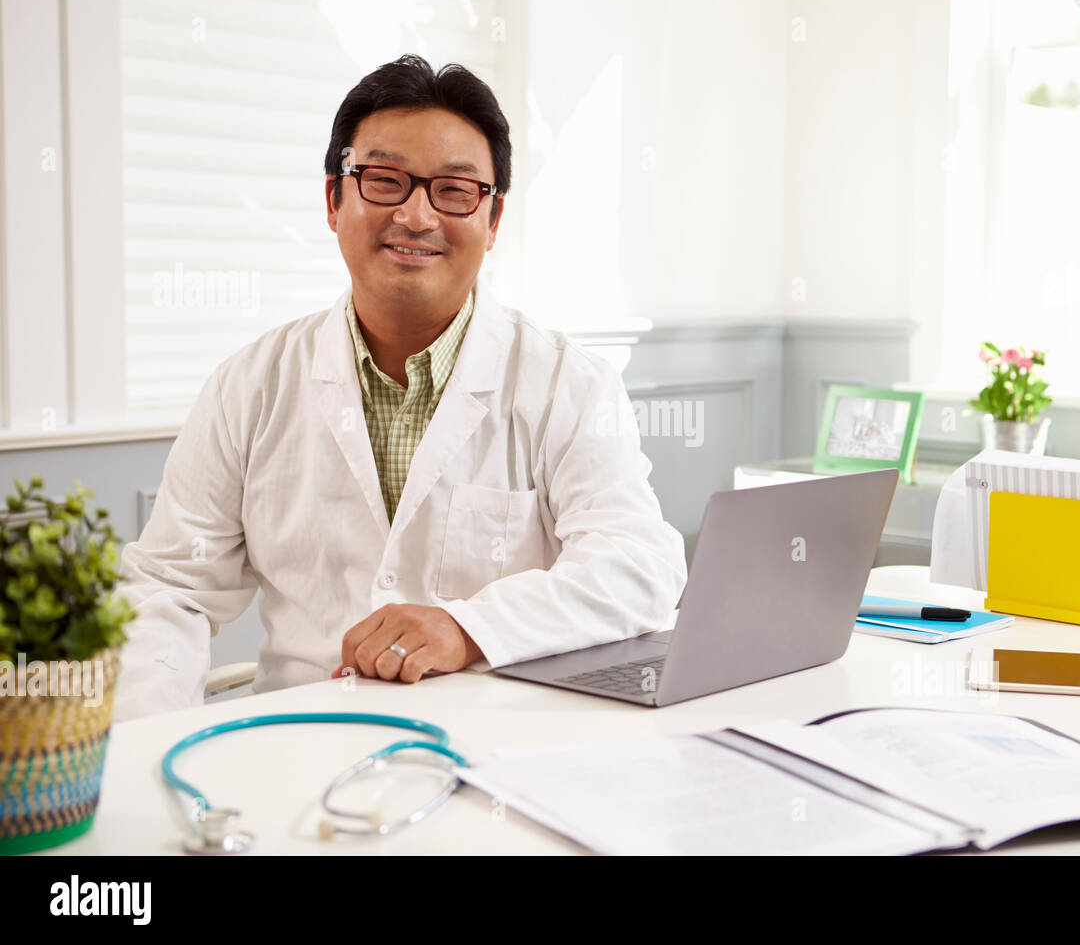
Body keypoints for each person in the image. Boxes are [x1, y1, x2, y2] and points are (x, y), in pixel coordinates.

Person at [113, 55, 687, 721]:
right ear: (334, 199)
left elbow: (639, 567)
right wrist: (135, 751)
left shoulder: (568, 384)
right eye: (384, 181)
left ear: (493, 219)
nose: (416, 217)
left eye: (454, 191)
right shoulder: (250, 385)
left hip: (501, 746)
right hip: (296, 741)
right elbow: (169, 590)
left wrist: (469, 627)